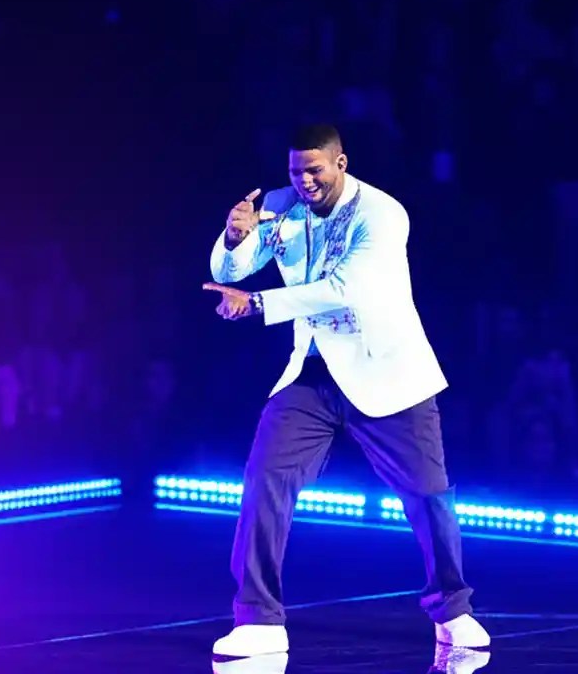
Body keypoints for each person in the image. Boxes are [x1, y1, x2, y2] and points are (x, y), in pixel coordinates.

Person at [202, 124, 488, 657]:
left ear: (341, 163)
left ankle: (452, 608)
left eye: (315, 170)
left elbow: (344, 289)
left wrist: (258, 303)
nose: (305, 181)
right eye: (296, 171)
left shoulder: (382, 215)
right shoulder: (282, 206)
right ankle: (259, 619)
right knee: (266, 476)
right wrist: (236, 238)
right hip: (313, 371)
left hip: (386, 369)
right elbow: (229, 269)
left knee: (429, 496)